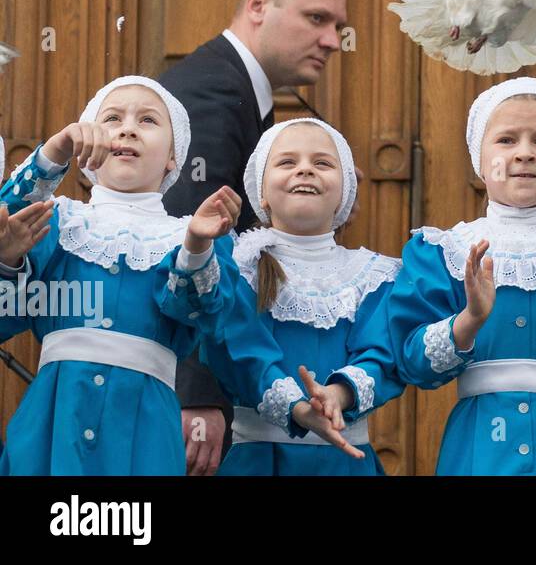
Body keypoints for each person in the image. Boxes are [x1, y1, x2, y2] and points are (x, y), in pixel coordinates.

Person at [0, 76, 348, 474]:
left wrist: (196, 248)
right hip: (52, 423)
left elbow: (208, 320)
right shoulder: (59, 221)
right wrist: (52, 154)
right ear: (84, 147)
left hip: (145, 428)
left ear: (173, 155)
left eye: (148, 120)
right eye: (112, 118)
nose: (128, 127)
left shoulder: (191, 236)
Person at [320, 77, 536, 474]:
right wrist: (468, 321)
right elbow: (411, 359)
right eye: (506, 140)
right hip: (478, 449)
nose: (524, 154)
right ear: (478, 157)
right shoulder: (442, 252)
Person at [159, 0, 349, 474]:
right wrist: (197, 395)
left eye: (338, 26)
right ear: (259, 4)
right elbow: (190, 238)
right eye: (318, 19)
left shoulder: (239, 90)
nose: (333, 40)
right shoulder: (215, 91)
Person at [201, 118, 402, 474]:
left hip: (347, 464)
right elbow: (234, 350)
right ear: (260, 192)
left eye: (322, 163)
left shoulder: (373, 277)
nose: (305, 170)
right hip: (259, 462)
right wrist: (295, 407)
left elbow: (384, 353)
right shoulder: (237, 268)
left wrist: (339, 395)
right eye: (287, 162)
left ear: (345, 192)